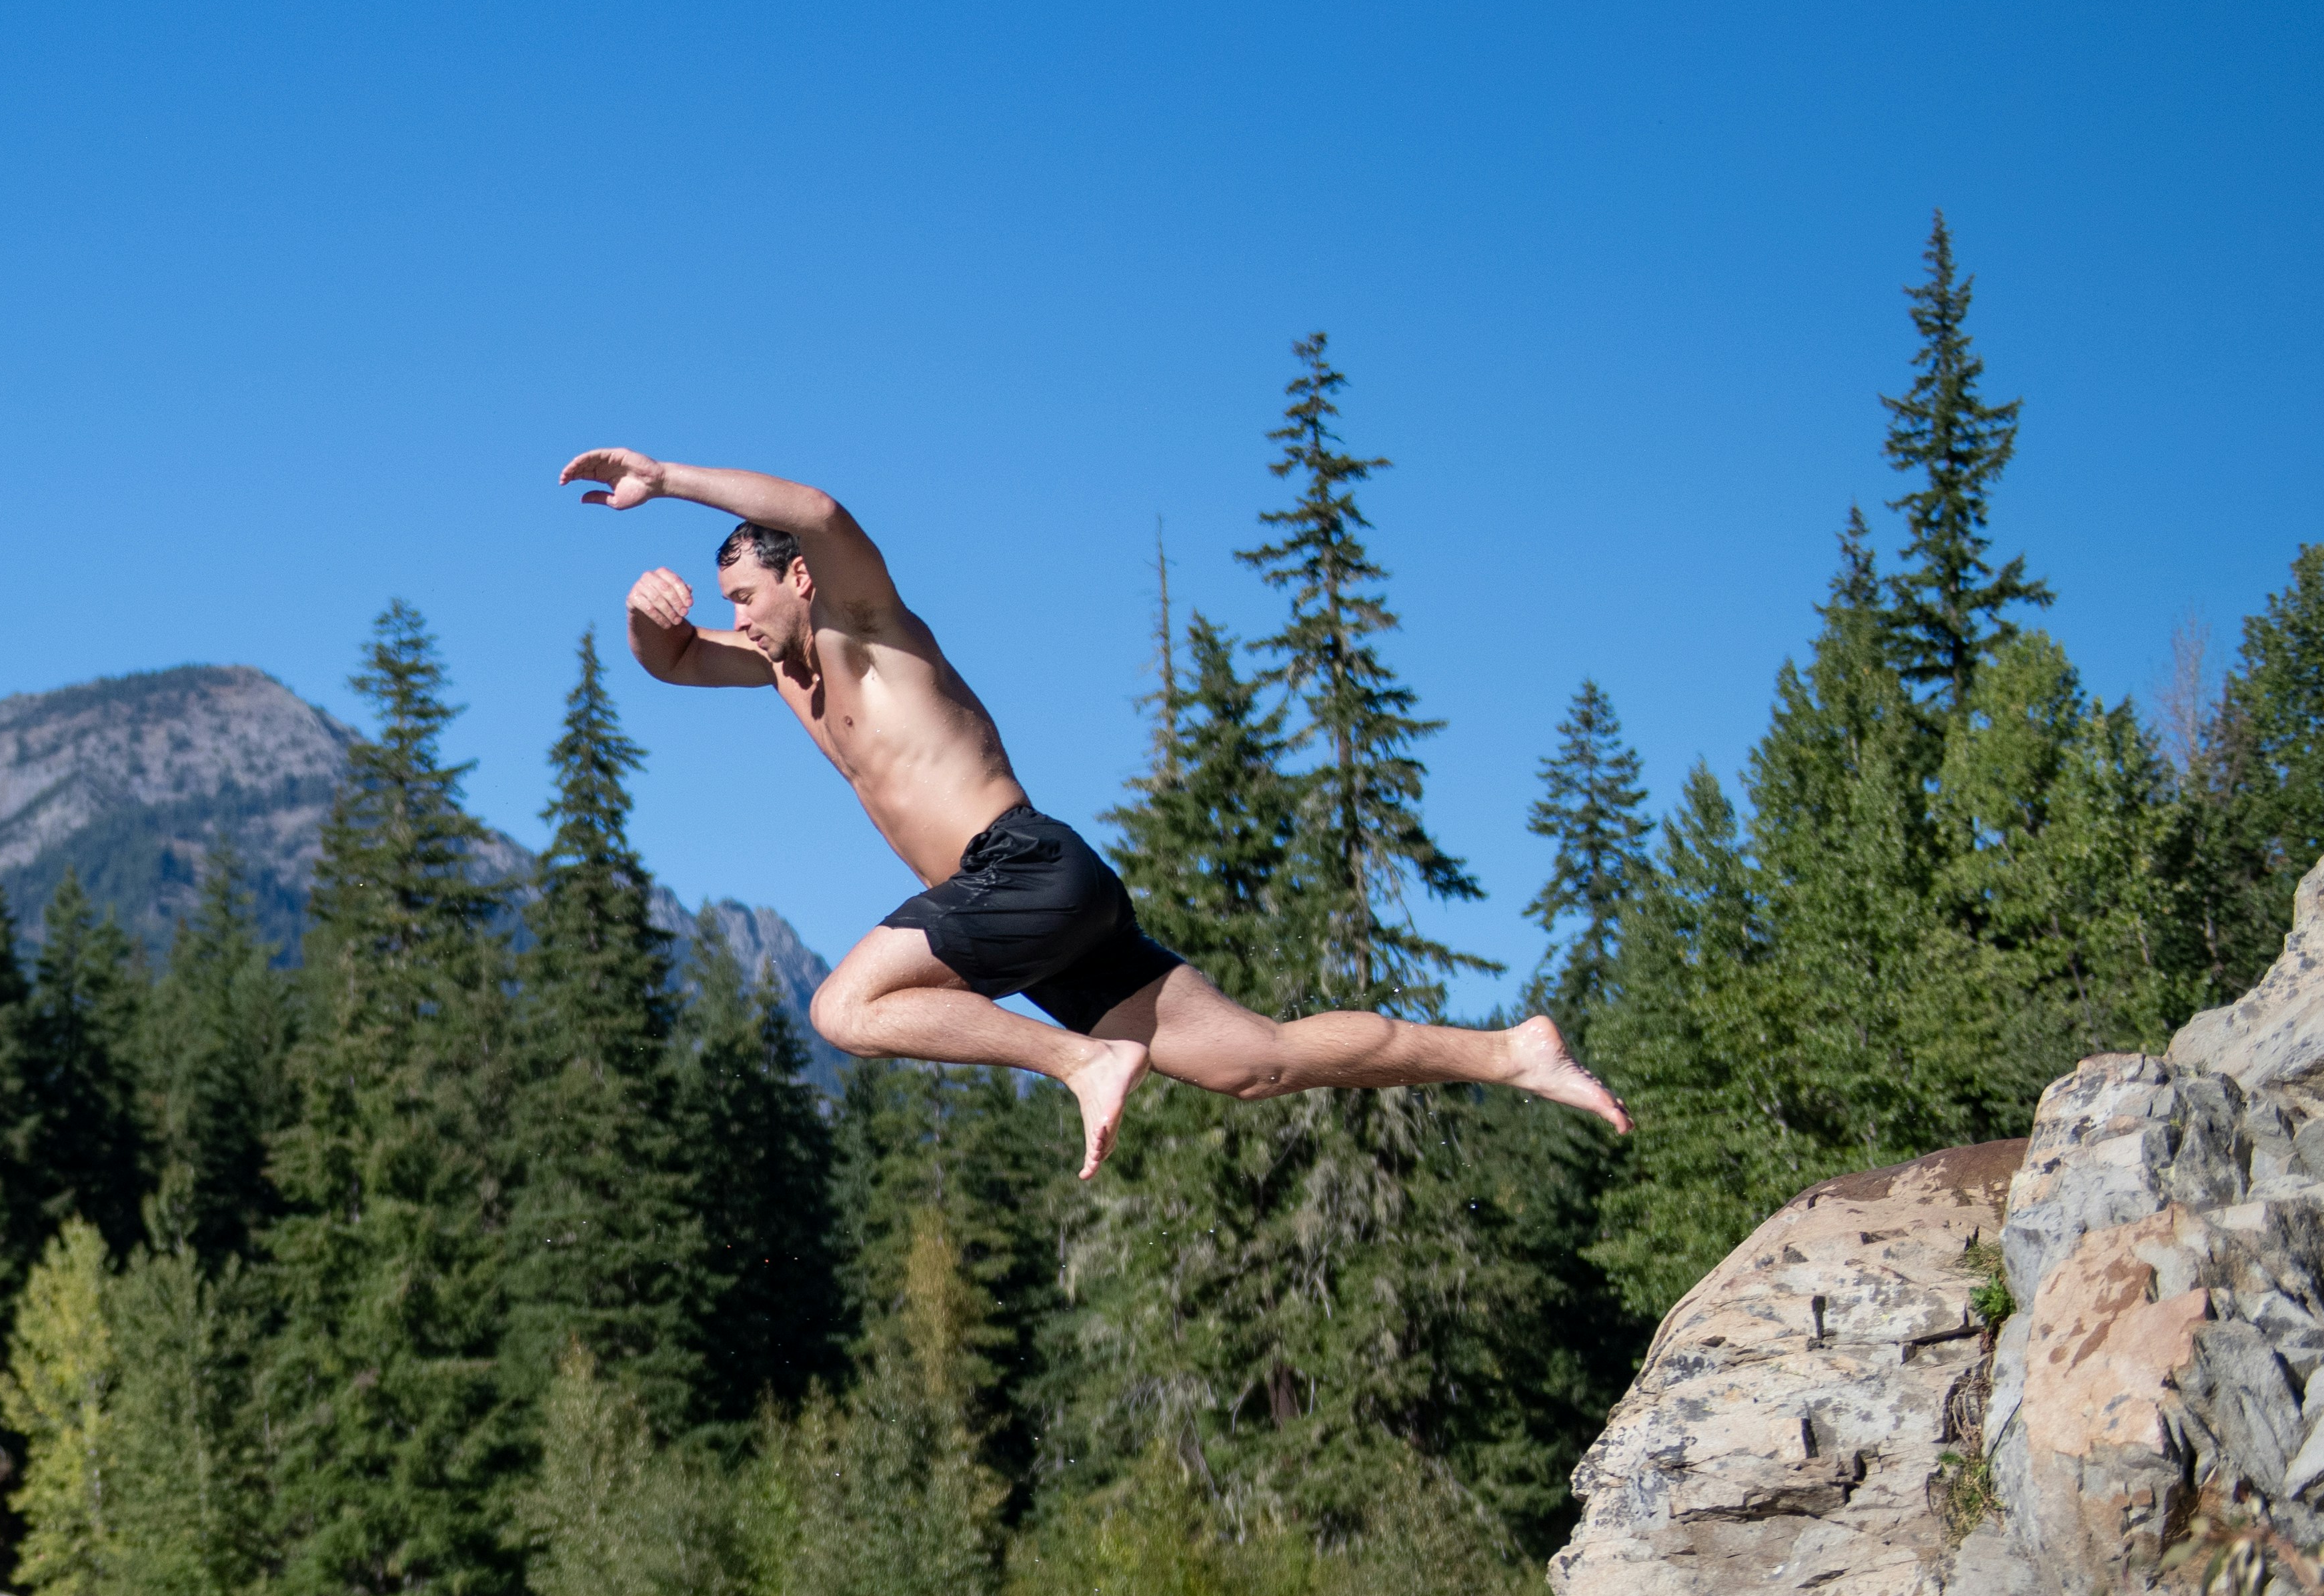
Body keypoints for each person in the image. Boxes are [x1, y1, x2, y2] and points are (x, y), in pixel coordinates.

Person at [559, 446, 1630, 1177]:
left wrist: (669, 479)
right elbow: (671, 666)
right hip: (1035, 910)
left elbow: (827, 514)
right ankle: (1509, 1054)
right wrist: (647, 619)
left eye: (748, 598)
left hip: (1019, 869)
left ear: (798, 579)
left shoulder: (864, 624)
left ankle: (1080, 1062)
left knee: (842, 1012)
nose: (739, 621)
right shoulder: (782, 670)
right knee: (1250, 1063)